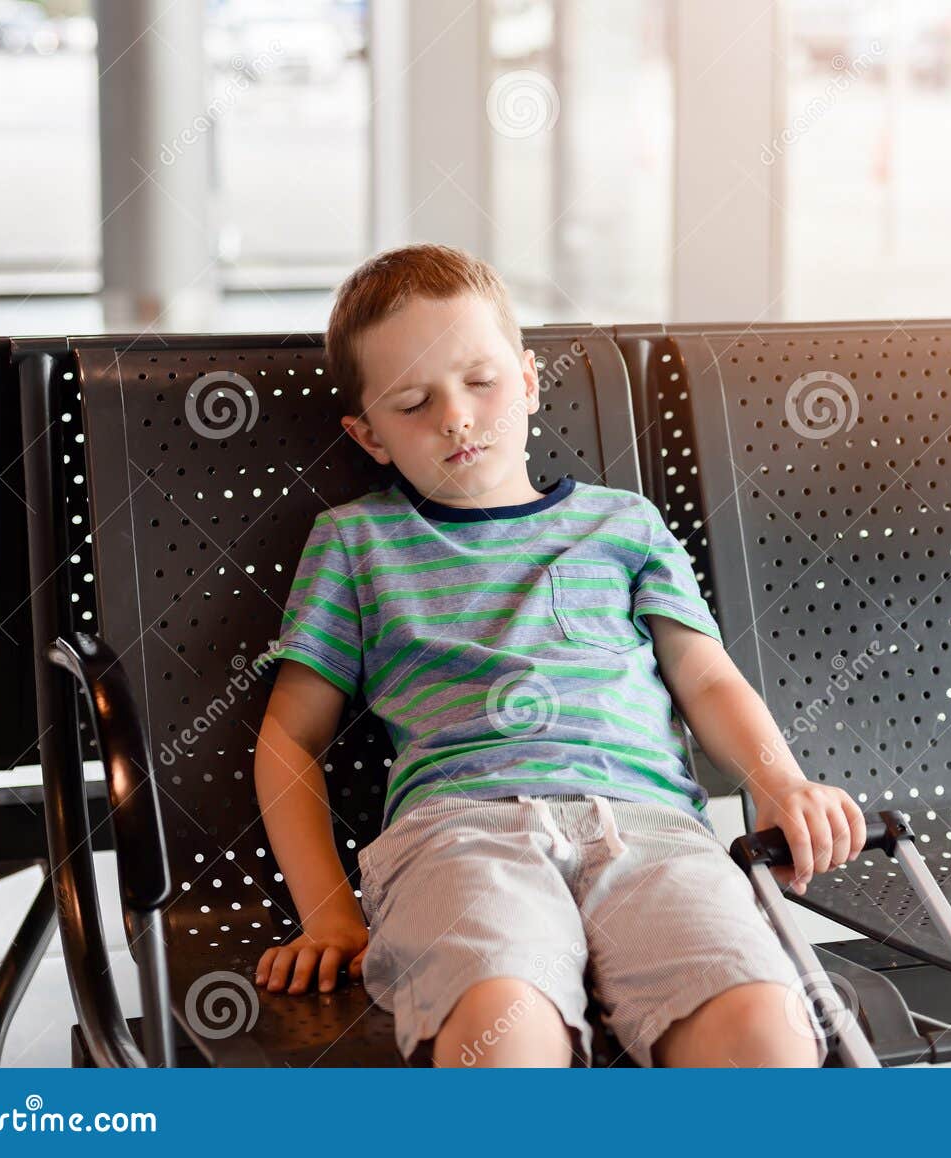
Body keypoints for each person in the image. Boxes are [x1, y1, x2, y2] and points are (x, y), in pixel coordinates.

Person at [251, 244, 866, 1067]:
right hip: (462, 835)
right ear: (369, 436)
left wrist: (777, 778)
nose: (457, 417)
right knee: (505, 1030)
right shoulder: (356, 543)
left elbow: (707, 676)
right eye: (412, 402)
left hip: (650, 831)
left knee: (763, 1027)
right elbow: (289, 739)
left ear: (532, 380)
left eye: (481, 381)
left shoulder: (626, 525)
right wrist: (329, 910)